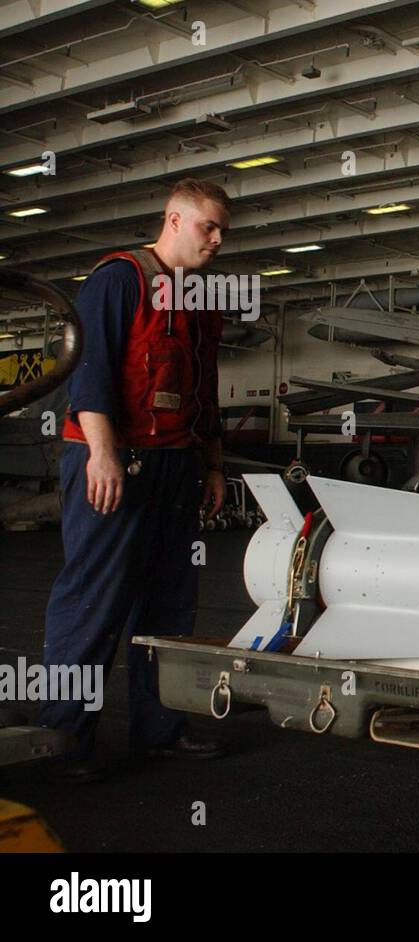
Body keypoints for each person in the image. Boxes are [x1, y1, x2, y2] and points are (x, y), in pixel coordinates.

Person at [41, 178, 233, 782]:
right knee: (94, 600)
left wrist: (214, 464)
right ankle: (63, 738)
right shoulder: (117, 280)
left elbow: (205, 392)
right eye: (209, 227)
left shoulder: (200, 298)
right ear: (174, 221)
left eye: (223, 229)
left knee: (170, 607)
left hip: (177, 465)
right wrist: (101, 454)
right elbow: (89, 374)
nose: (219, 240)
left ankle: (162, 729)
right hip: (115, 459)